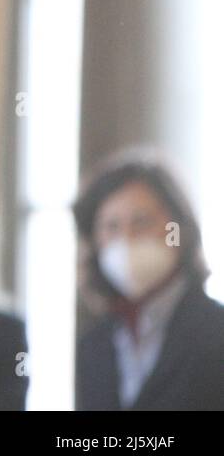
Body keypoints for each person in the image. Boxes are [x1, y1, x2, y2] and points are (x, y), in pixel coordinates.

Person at [72, 147, 224, 410]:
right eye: (112, 227)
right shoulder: (94, 345)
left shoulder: (216, 333)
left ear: (178, 231)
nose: (127, 240)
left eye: (141, 222)